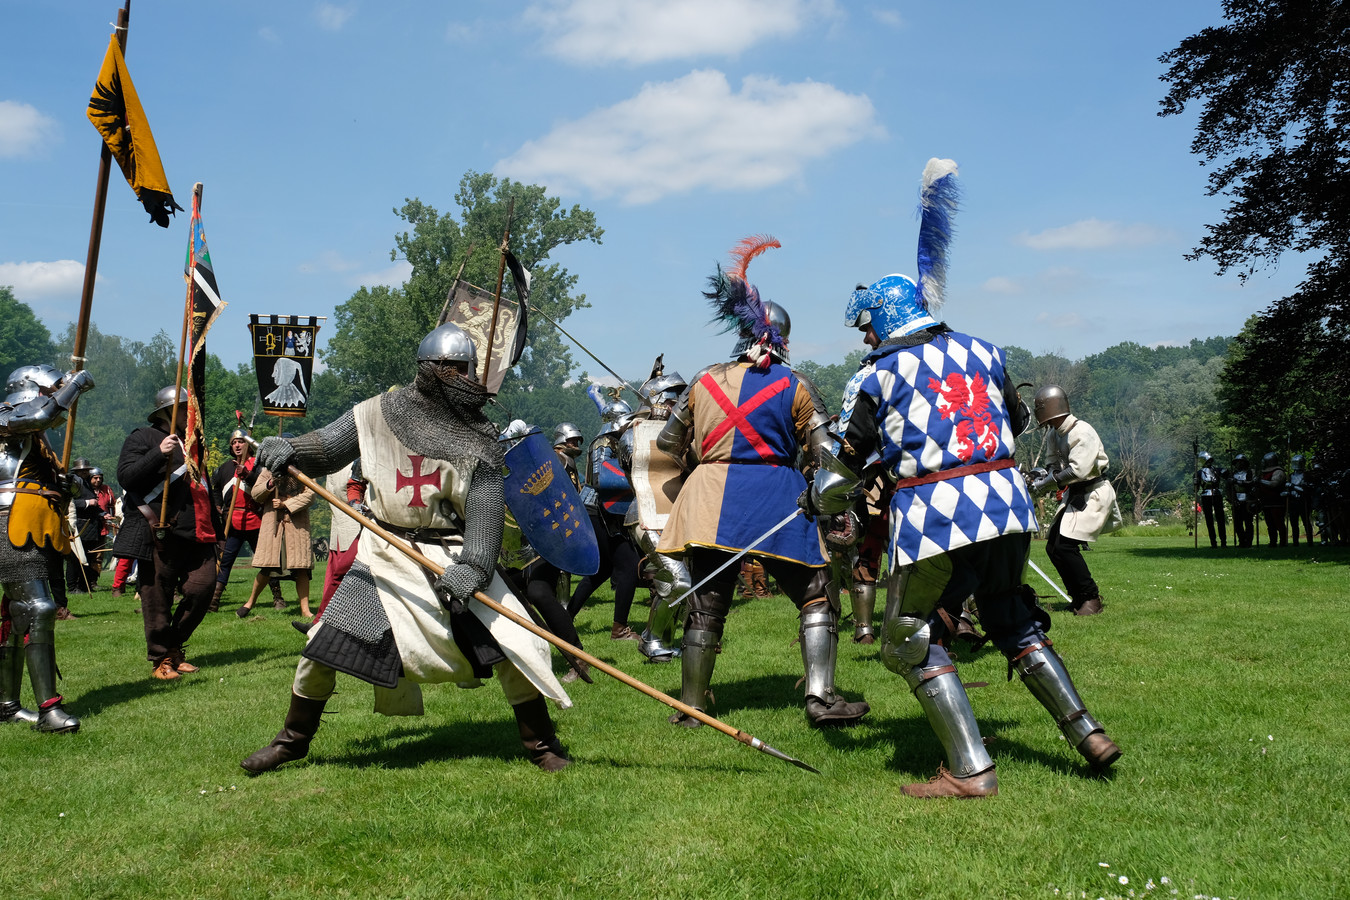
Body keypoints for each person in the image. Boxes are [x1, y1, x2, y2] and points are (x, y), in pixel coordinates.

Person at [828, 155, 1119, 798]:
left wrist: (821, 496)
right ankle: (1087, 733)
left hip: (935, 514)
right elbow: (1015, 422)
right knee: (1011, 617)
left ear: (884, 317)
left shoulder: (876, 375)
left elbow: (846, 461)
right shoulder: (984, 350)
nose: (865, 336)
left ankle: (970, 770)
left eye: (867, 325)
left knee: (907, 639)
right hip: (1007, 504)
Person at [240, 323, 571, 775]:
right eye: (452, 369)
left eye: (466, 369)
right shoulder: (375, 412)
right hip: (384, 555)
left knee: (519, 643)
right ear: (428, 369)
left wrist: (475, 565)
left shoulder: (479, 435)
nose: (463, 378)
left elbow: (485, 508)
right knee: (320, 647)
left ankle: (542, 744)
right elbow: (326, 447)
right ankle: (292, 741)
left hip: (453, 554)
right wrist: (290, 447)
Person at [656, 236, 869, 728]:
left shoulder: (704, 380)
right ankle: (821, 697)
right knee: (816, 593)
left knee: (707, 603)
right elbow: (826, 454)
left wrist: (706, 453)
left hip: (712, 501)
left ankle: (692, 706)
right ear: (783, 339)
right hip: (778, 498)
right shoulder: (795, 384)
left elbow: (667, 443)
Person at [0, 363, 92, 732]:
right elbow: (41, 415)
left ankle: (6, 705)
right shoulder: (7, 415)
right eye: (50, 391)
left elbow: (48, 479)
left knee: (16, 614)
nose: (54, 397)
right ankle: (49, 712)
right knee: (38, 608)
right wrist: (76, 385)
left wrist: (67, 485)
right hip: (10, 522)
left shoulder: (35, 439)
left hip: (30, 523)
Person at [113, 385, 222, 681]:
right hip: (158, 532)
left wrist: (218, 530)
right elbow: (126, 477)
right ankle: (161, 658)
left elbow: (203, 490)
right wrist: (158, 454)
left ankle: (174, 647)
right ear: (167, 412)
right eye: (185, 408)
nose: (190, 414)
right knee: (157, 599)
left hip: (196, 532)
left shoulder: (193, 445)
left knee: (202, 589)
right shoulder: (142, 437)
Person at [1030, 385, 1121, 615]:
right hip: (1075, 493)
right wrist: (1043, 476)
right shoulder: (1055, 433)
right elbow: (1053, 463)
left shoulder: (1082, 432)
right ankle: (1078, 597)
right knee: (1053, 547)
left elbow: (1078, 471)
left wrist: (1045, 484)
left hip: (1093, 491)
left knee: (1066, 546)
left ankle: (1091, 598)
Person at [568, 410, 647, 642]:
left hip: (605, 511)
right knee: (630, 566)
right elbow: (603, 478)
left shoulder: (614, 442)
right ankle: (619, 629)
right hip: (600, 510)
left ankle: (565, 618)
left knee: (602, 570)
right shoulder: (605, 443)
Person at [210, 428, 268, 612]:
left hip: (255, 519)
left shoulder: (259, 466)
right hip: (232, 520)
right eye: (234, 442)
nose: (237, 445)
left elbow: (264, 487)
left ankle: (277, 597)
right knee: (225, 561)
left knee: (266, 561)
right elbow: (215, 488)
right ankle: (214, 601)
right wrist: (217, 505)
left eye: (241, 441)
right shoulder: (225, 468)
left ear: (248, 445)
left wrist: (247, 475)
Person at [246, 464, 315, 618]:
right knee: (267, 568)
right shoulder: (268, 471)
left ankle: (305, 610)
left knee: (302, 569)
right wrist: (270, 483)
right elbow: (256, 494)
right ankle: (250, 603)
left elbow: (311, 494)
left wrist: (286, 504)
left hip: (297, 527)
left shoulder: (304, 470)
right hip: (274, 527)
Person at [64, 457, 105, 596]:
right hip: (78, 524)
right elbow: (69, 503)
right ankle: (72, 587)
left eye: (86, 470)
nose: (85, 473)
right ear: (77, 471)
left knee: (87, 556)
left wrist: (103, 514)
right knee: (75, 557)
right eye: (82, 471)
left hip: (90, 525)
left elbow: (95, 505)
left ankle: (83, 585)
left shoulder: (86, 483)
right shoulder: (73, 482)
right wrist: (87, 502)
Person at [1194, 451, 1227, 548]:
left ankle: (1223, 542)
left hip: (1216, 494)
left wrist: (1227, 472)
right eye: (1207, 460)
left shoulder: (1217, 470)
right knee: (1209, 520)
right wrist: (1195, 483)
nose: (1209, 462)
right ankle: (1213, 542)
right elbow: (1196, 490)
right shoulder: (1199, 473)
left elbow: (1227, 475)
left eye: (1210, 460)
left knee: (1220, 519)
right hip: (1206, 495)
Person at [1227, 453, 1258, 548]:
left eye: (1241, 462)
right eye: (1237, 462)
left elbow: (1252, 483)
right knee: (1237, 524)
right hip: (1237, 500)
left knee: (1248, 523)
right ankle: (1242, 541)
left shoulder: (1250, 473)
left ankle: (1248, 542)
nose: (1239, 464)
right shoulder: (1233, 474)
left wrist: (1237, 481)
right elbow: (1229, 489)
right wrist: (1232, 500)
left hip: (1247, 500)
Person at [1257, 451, 1288, 546]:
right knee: (1270, 523)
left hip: (1277, 501)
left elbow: (1274, 484)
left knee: (1278, 522)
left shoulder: (1278, 471)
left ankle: (1283, 542)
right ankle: (1273, 541)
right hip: (1266, 501)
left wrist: (1260, 481)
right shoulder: (1264, 472)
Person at [1286, 454, 1314, 547]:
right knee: (1294, 523)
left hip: (1303, 501)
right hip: (1292, 501)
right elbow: (1288, 489)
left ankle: (1310, 541)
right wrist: (1287, 492)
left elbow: (1306, 490)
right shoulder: (1290, 476)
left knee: (1306, 522)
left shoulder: (1306, 475)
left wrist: (1293, 486)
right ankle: (1295, 542)